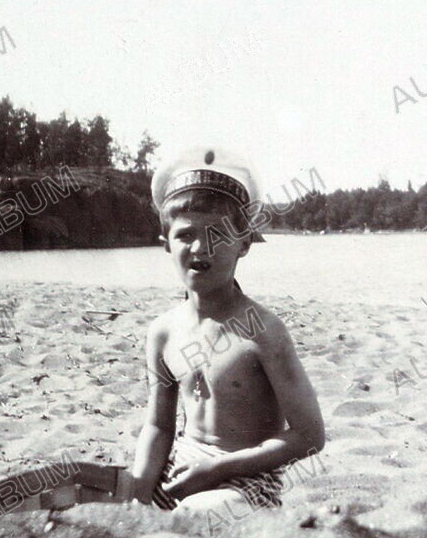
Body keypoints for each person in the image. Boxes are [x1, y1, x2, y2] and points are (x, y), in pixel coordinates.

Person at [131, 147, 325, 512]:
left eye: (218, 234)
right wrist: (138, 489)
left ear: (245, 244)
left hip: (246, 480)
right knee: (101, 509)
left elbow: (310, 435)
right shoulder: (163, 332)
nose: (201, 247)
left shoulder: (264, 331)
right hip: (181, 468)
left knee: (195, 517)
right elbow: (158, 426)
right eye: (185, 235)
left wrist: (216, 468)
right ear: (166, 245)